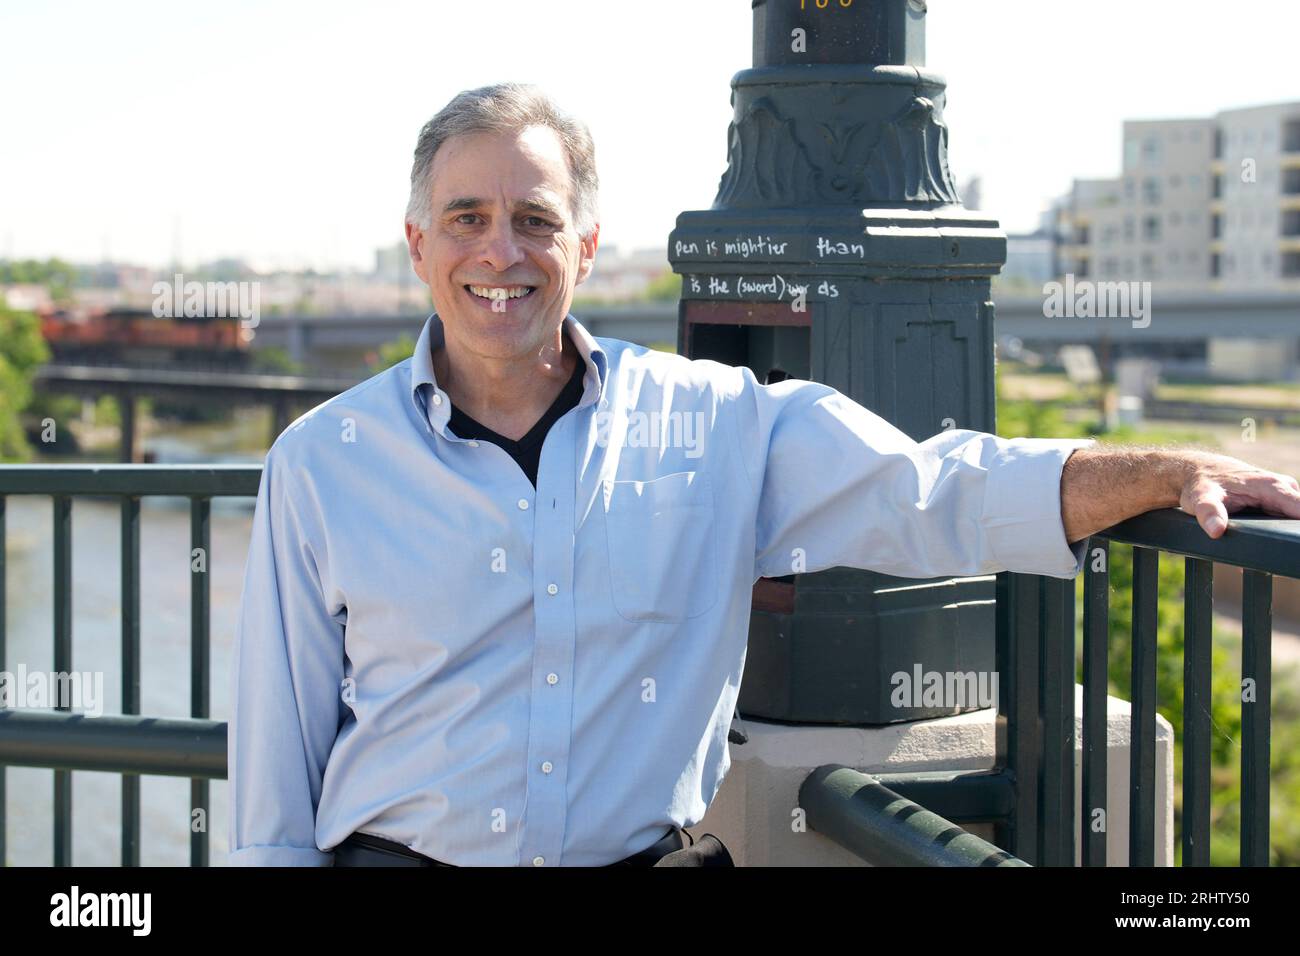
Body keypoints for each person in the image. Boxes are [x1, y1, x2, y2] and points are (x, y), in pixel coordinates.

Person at [227, 83, 1300, 867]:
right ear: (418, 244)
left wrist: (1162, 467)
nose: (499, 251)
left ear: (587, 248)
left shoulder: (719, 423)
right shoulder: (324, 464)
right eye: (467, 217)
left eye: (535, 220)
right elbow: (277, 775)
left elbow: (939, 493)